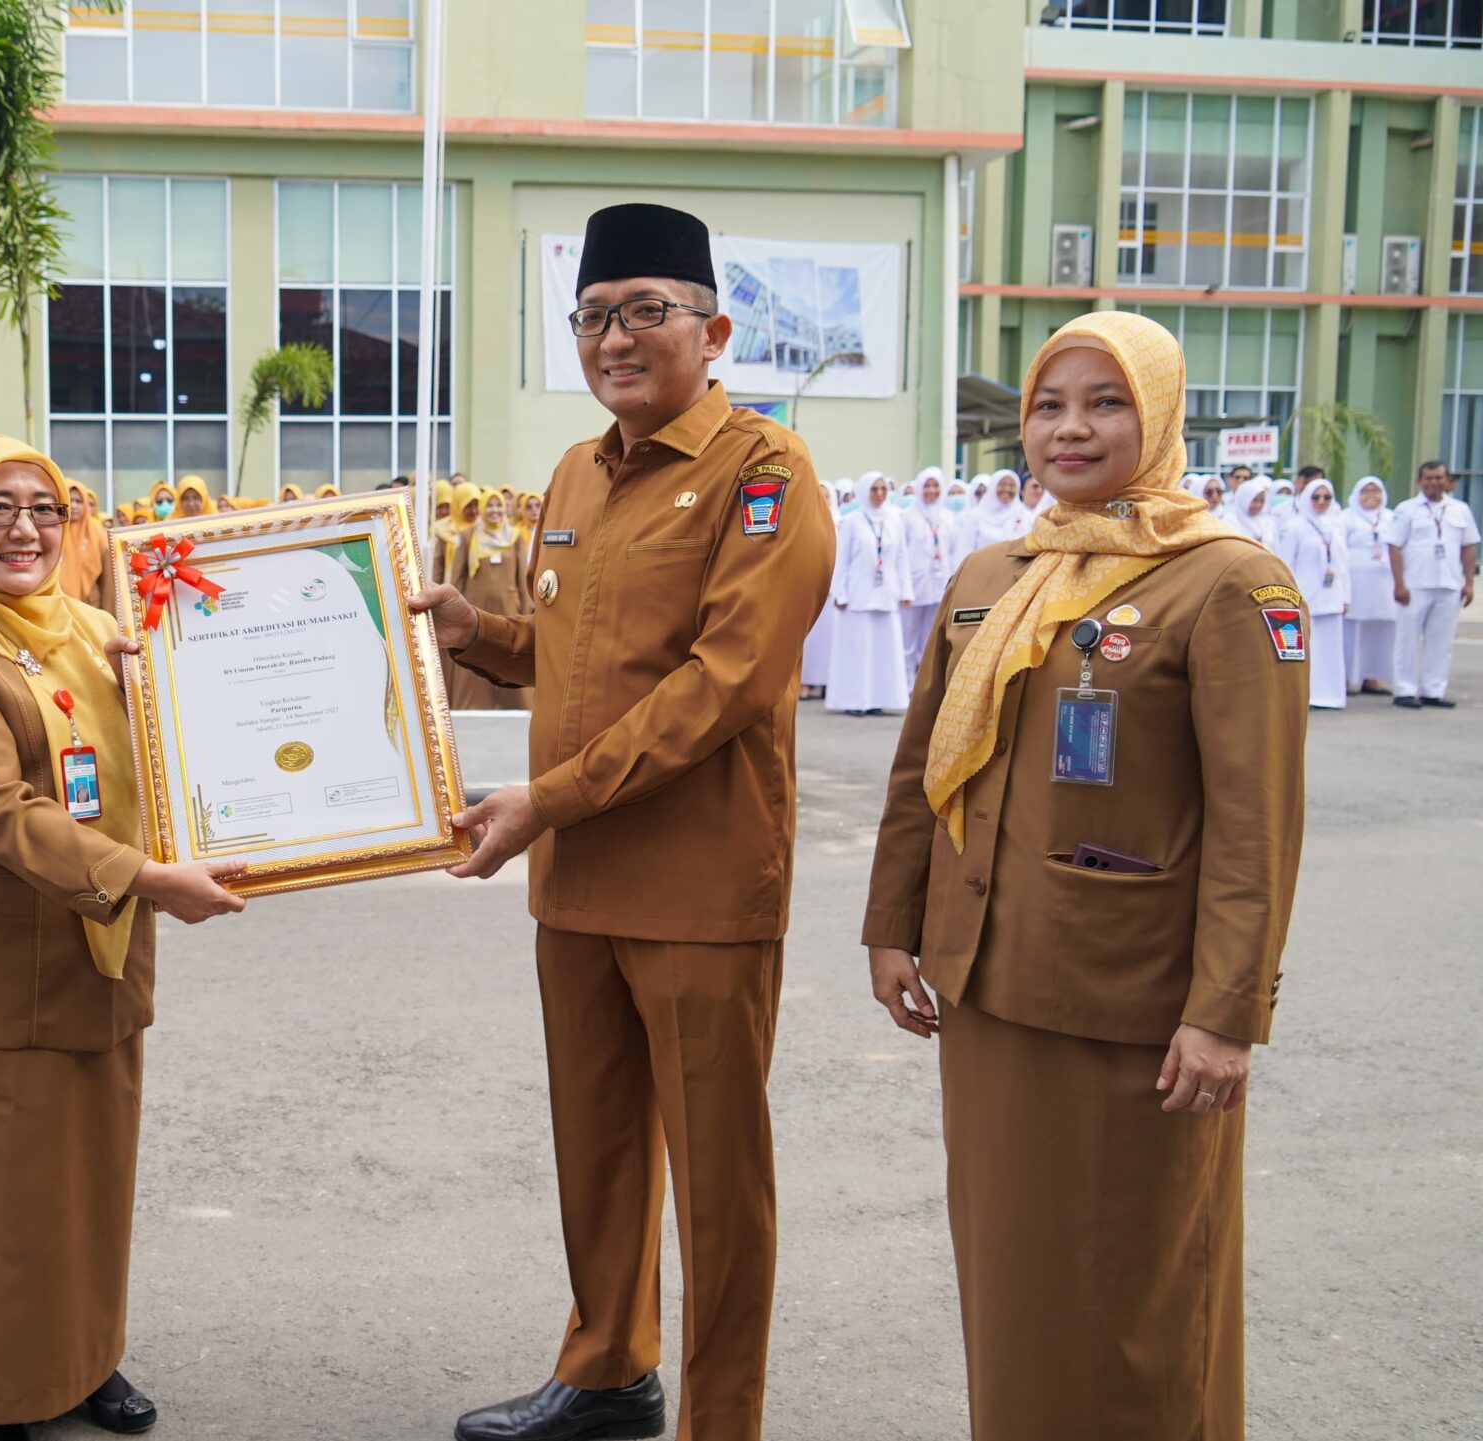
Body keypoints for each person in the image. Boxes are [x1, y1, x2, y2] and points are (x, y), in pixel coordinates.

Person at [413, 201, 835, 1441]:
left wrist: (542, 800)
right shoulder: (574, 472)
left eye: (645, 310)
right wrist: (473, 633)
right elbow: (578, 648)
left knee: (717, 1182)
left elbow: (722, 683)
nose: (615, 337)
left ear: (713, 327)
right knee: (595, 1148)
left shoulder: (765, 472)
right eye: (593, 315)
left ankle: (723, 1417)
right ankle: (607, 1373)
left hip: (700, 885)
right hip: (579, 878)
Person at [862, 310, 1307, 1441]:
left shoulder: (1226, 583)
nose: (1071, 428)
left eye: (1105, 402)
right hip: (988, 991)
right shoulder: (993, 573)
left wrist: (1224, 1015)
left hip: (1134, 1010)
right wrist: (891, 928)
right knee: (1017, 1289)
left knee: (1134, 1303)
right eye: (1048, 404)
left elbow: (1257, 824)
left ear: (1156, 416)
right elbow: (925, 769)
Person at [0, 435, 246, 1441]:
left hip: (92, 958)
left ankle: (81, 1359)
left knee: (83, 1182)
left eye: (43, 506)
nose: (25, 528)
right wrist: (147, 879)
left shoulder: (89, 627)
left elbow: (181, 725)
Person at [1383, 459, 1480, 710]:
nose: (1434, 483)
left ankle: (1433, 690)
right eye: (1429, 478)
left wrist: (1468, 583)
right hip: (1415, 584)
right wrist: (1399, 584)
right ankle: (1404, 690)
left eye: (1439, 478)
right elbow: (1393, 546)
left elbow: (1468, 546)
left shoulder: (1459, 510)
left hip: (1449, 583)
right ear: (1419, 481)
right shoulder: (1406, 510)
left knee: (1442, 640)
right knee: (1407, 638)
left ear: (1447, 480)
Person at [827, 472, 912, 716]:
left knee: (883, 651)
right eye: (874, 489)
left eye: (883, 489)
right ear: (864, 491)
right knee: (857, 651)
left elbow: (902, 558)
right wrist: (839, 594)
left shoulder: (895, 519)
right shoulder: (852, 520)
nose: (879, 494)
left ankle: (878, 697)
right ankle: (854, 700)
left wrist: (906, 590)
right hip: (857, 595)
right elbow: (841, 560)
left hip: (887, 592)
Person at [448, 488, 532, 710]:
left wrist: (525, 610)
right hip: (475, 607)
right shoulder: (468, 536)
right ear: (483, 509)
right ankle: (472, 704)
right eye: (490, 506)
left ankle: (515, 704)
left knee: (510, 650)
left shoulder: (514, 536)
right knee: (477, 651)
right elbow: (458, 575)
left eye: (498, 506)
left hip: (508, 607)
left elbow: (522, 577)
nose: (494, 511)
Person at [1275, 477, 1351, 710]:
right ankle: (1306, 694)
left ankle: (1331, 695)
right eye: (1316, 497)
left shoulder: (1336, 525)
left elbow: (1343, 564)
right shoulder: (1294, 526)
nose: (1321, 502)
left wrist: (1346, 596)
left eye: (1326, 497)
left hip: (1332, 595)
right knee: (1308, 647)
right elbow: (1284, 563)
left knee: (1331, 647)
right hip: (1305, 595)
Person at [1341, 476, 1396, 696]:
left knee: (1379, 630)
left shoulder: (1391, 517)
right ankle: (1345, 678)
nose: (1372, 495)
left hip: (1384, 582)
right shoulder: (1346, 518)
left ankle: (1371, 677)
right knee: (1352, 631)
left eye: (1376, 491)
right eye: (1366, 491)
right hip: (1356, 581)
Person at [900, 466, 955, 686]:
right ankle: (905, 681)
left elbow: (953, 551)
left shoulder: (948, 517)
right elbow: (901, 554)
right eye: (927, 486)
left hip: (939, 583)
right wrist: (904, 587)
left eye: (935, 486)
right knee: (908, 637)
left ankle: (923, 683)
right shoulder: (907, 516)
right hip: (914, 584)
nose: (931, 490)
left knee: (930, 638)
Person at [798, 480, 838, 701]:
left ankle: (825, 683)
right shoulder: (802, 522)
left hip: (834, 591)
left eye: (827, 496)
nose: (823, 500)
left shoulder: (842, 523)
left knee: (829, 641)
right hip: (808, 589)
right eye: (819, 495)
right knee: (809, 641)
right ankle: (805, 682)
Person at [56, 476, 112, 609]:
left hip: (91, 606)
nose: (73, 505)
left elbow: (108, 580)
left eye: (79, 501)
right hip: (58, 606)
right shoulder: (53, 530)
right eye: (69, 499)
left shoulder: (99, 534)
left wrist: (108, 614)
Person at [960, 470, 1029, 553]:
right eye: (1002, 484)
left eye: (1012, 485)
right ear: (993, 487)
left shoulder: (1025, 516)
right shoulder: (975, 516)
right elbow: (964, 550)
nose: (1007, 489)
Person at [1224, 476, 1278, 547]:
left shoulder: (1268, 522)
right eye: (1254, 500)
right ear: (1244, 500)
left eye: (1262, 501)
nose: (1258, 505)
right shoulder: (1230, 521)